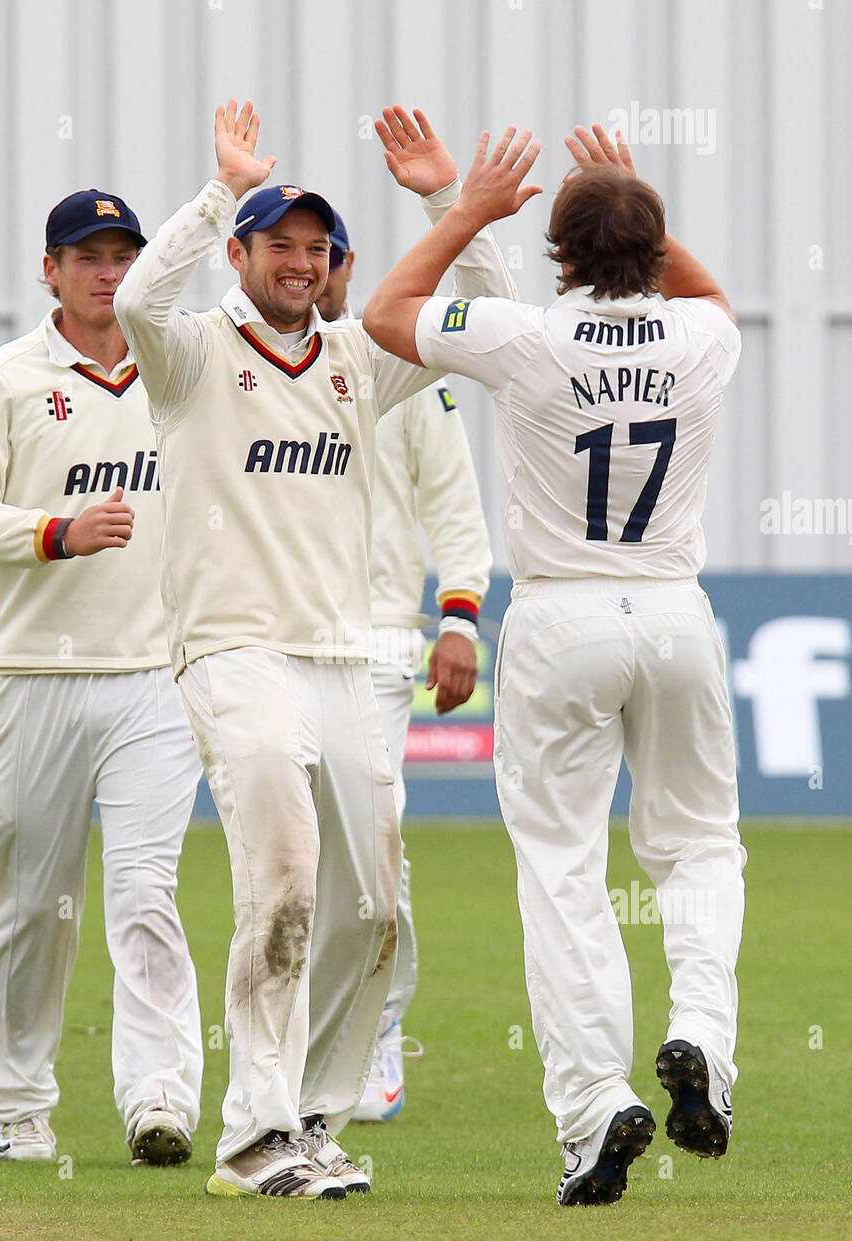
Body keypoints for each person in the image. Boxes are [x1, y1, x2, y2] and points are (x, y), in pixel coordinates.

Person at [114, 101, 513, 1200]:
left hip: (342, 656)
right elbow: (144, 291)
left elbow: (488, 313)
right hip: (233, 653)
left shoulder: (358, 357)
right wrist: (218, 189)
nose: (299, 263)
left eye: (315, 248)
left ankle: (317, 1119)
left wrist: (449, 200)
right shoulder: (188, 353)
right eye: (276, 243)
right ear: (240, 254)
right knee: (284, 880)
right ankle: (253, 1137)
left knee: (375, 905)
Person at [363, 122, 746, 1205]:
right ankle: (703, 1046)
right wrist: (627, 197)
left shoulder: (528, 338)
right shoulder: (702, 339)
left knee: (563, 872)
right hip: (674, 613)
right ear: (656, 248)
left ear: (557, 257)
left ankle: (593, 1109)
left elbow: (387, 314)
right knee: (699, 849)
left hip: (561, 620)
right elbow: (703, 289)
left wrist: (467, 207)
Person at [0, 189, 204, 1168]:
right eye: (86, 256)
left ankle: (160, 1101)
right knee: (24, 904)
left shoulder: (181, 369)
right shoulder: (7, 378)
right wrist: (53, 532)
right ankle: (20, 1106)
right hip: (33, 674)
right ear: (49, 269)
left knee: (146, 891)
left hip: (154, 678)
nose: (107, 272)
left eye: (123, 255)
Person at [315, 213, 492, 1122]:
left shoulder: (400, 368)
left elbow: (454, 504)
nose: (313, 270)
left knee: (374, 847)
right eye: (294, 253)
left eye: (328, 255)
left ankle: (378, 1024)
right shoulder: (238, 363)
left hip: (380, 643)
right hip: (272, 644)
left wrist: (459, 617)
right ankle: (293, 1058)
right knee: (285, 859)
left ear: (348, 266)